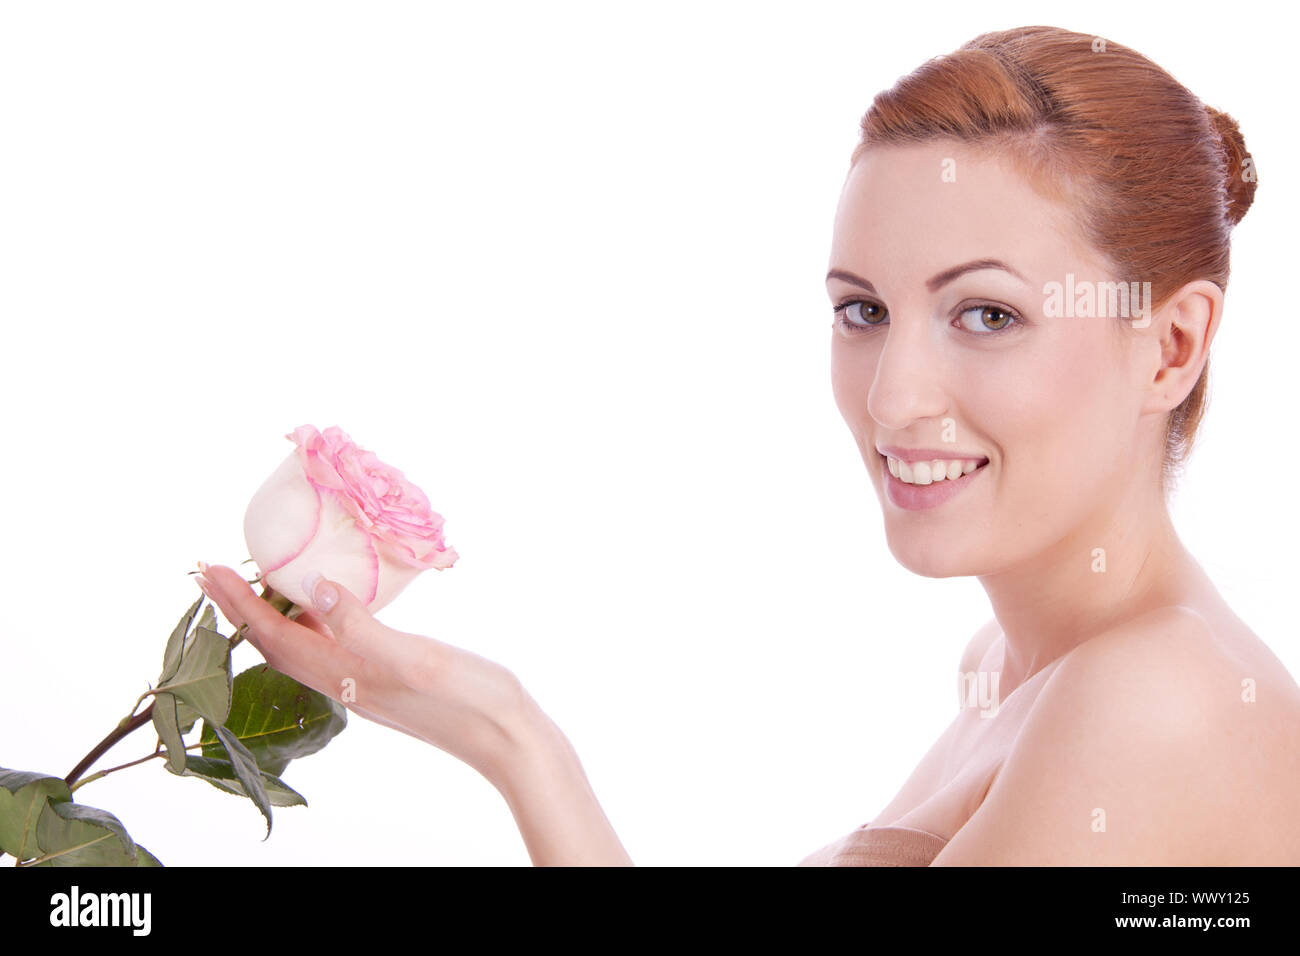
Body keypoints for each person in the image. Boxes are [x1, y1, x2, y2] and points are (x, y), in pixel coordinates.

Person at [196, 25, 1300, 866]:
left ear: (1169, 345)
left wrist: (514, 741)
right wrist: (499, 727)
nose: (895, 399)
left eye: (986, 315)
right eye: (863, 310)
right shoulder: (1003, 669)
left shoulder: (1157, 698)